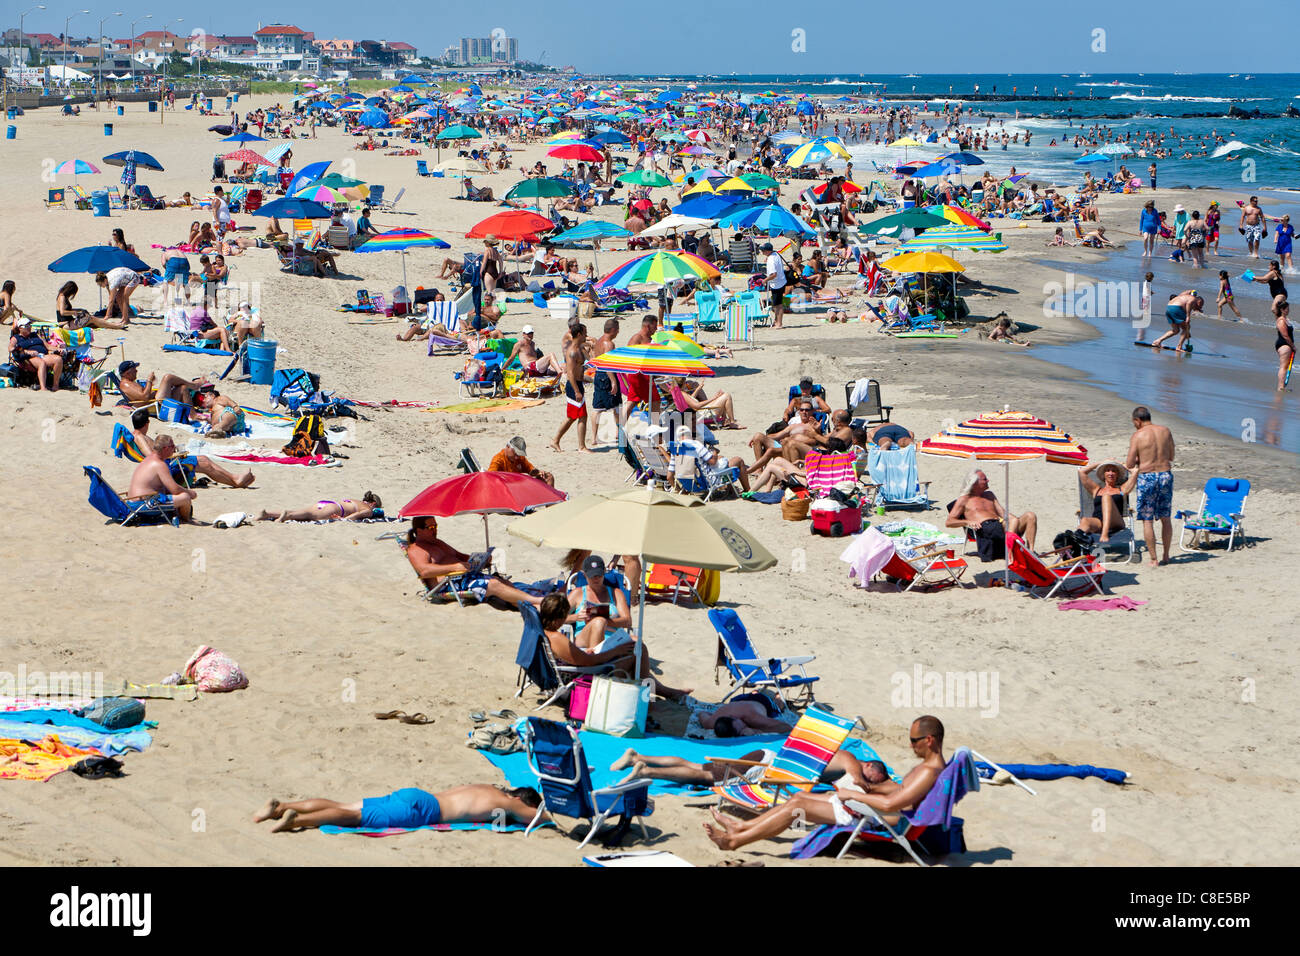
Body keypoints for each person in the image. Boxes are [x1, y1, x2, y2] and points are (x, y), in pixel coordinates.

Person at [703, 716, 948, 852]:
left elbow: (892, 803)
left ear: (928, 740)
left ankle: (734, 842)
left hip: (874, 815)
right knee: (796, 800)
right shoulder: (929, 769)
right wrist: (868, 788)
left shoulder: (929, 772)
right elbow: (897, 794)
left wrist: (854, 797)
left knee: (794, 810)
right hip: (871, 807)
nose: (911, 745)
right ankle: (740, 829)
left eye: (914, 740)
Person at [538, 592, 689, 701]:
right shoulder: (557, 638)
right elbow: (590, 662)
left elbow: (580, 657)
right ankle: (645, 700)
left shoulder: (545, 632)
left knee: (634, 650)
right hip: (582, 679)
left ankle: (659, 692)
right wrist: (615, 651)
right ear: (561, 617)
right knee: (638, 652)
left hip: (575, 667)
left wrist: (585, 652)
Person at [252, 783, 545, 833]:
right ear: (520, 799)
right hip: (424, 812)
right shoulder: (509, 803)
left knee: (348, 805)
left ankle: (282, 806)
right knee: (354, 817)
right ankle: (295, 820)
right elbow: (542, 815)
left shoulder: (489, 789)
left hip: (417, 795)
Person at [403, 515, 542, 608]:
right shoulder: (416, 550)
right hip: (449, 584)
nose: (435, 531)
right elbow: (424, 571)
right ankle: (537, 602)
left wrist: (481, 559)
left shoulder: (438, 543)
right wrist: (454, 567)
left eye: (436, 527)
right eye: (431, 528)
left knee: (502, 582)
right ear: (419, 530)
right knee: (493, 585)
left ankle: (530, 605)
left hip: (464, 576)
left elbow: (460, 556)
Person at [610, 742, 885, 788]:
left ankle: (637, 758)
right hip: (763, 766)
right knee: (706, 778)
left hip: (765, 759)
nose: (873, 779)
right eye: (877, 775)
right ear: (870, 765)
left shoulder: (842, 757)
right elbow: (858, 782)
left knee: (699, 767)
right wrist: (877, 790)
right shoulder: (851, 760)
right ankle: (646, 771)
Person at [131, 409, 253, 489]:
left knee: (204, 459)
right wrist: (171, 455)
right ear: (147, 423)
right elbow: (151, 457)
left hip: (167, 462)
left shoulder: (139, 436)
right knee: (205, 464)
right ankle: (235, 481)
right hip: (167, 466)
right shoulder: (139, 437)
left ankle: (235, 478)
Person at [1124, 406, 1175, 567]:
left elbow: (1130, 463)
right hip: (1165, 475)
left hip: (1148, 476)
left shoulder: (1138, 435)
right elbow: (1171, 456)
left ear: (1137, 421)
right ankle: (1166, 555)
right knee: (1165, 518)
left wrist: (1141, 460)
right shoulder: (1165, 431)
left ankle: (1154, 559)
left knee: (1147, 520)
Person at [946, 469, 1038, 552]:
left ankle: (1031, 552)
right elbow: (949, 522)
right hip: (987, 530)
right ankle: (1011, 552)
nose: (988, 480)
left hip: (1002, 527)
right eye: (985, 479)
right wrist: (967, 522)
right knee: (1008, 523)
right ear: (975, 483)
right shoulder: (964, 500)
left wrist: (1015, 521)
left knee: (1030, 516)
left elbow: (1003, 513)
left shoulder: (990, 495)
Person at [564, 554, 633, 652]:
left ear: (604, 572)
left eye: (599, 575)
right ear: (584, 574)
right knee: (598, 622)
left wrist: (606, 622)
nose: (596, 579)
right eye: (592, 576)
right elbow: (557, 618)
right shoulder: (578, 593)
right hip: (584, 638)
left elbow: (628, 621)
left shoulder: (616, 593)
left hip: (612, 639)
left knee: (639, 644)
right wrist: (576, 617)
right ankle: (596, 659)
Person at [127, 433, 196, 522]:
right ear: (165, 448)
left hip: (131, 504)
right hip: (143, 505)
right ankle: (186, 520)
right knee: (185, 497)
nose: (174, 448)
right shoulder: (160, 464)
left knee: (172, 495)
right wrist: (191, 493)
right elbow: (175, 489)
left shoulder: (148, 459)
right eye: (172, 446)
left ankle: (180, 516)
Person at [551, 322, 591, 453]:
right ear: (579, 334)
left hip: (579, 385)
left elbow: (590, 359)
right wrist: (577, 391)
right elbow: (571, 374)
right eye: (585, 333)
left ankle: (561, 442)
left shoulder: (580, 348)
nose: (586, 335)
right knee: (574, 417)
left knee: (579, 416)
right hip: (574, 386)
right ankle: (575, 445)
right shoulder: (572, 352)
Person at [1077, 459, 1136, 543]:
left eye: (1114, 471)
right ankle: (1076, 541)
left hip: (1116, 523)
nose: (1111, 473)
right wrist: (1102, 462)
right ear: (1103, 474)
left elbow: (1135, 471)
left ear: (1117, 475)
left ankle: (1104, 535)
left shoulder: (1122, 489)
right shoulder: (1096, 490)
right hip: (1098, 522)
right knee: (1085, 520)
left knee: (1106, 497)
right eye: (1107, 471)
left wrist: (1119, 463)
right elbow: (1081, 472)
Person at [117, 360, 208, 409]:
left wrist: (152, 385)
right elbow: (145, 396)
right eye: (134, 369)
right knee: (168, 378)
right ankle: (193, 385)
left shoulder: (129, 383)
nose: (136, 371)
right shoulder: (126, 384)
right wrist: (149, 381)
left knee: (182, 388)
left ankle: (192, 414)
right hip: (156, 404)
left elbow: (143, 394)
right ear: (127, 373)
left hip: (156, 401)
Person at [8, 316, 64, 391]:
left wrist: (58, 349)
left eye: (29, 325)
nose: (29, 327)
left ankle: (55, 386)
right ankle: (43, 387)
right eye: (26, 326)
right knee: (41, 363)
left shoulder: (35, 335)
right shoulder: (16, 338)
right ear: (20, 328)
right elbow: (11, 348)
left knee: (58, 359)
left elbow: (47, 346)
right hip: (28, 358)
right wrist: (26, 352)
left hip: (42, 355)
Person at [258, 492, 382, 523]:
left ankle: (267, 514)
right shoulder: (369, 509)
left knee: (304, 512)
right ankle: (287, 515)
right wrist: (342, 519)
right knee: (308, 516)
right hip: (336, 509)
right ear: (374, 504)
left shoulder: (356, 500)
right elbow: (354, 516)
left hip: (327, 503)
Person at [489, 436, 554, 486]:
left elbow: (530, 470)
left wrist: (539, 472)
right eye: (515, 453)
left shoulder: (519, 458)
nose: (517, 457)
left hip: (519, 485)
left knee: (548, 477)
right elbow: (490, 479)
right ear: (508, 447)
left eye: (519, 454)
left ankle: (551, 503)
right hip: (507, 488)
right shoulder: (498, 460)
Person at [762, 241, 787, 329]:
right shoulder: (776, 254)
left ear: (768, 251)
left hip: (777, 283)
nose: (762, 252)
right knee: (776, 303)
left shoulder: (771, 260)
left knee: (778, 304)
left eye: (763, 250)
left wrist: (765, 280)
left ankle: (779, 323)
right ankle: (776, 321)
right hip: (781, 281)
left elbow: (773, 274)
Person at [1273, 297, 1293, 392]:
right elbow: (1285, 335)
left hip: (1286, 345)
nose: (1288, 310)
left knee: (1285, 366)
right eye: (1287, 309)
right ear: (1282, 310)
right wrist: (1293, 346)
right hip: (1284, 345)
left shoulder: (1285, 319)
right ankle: (1280, 387)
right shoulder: (1281, 320)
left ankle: (1282, 387)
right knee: (1283, 366)